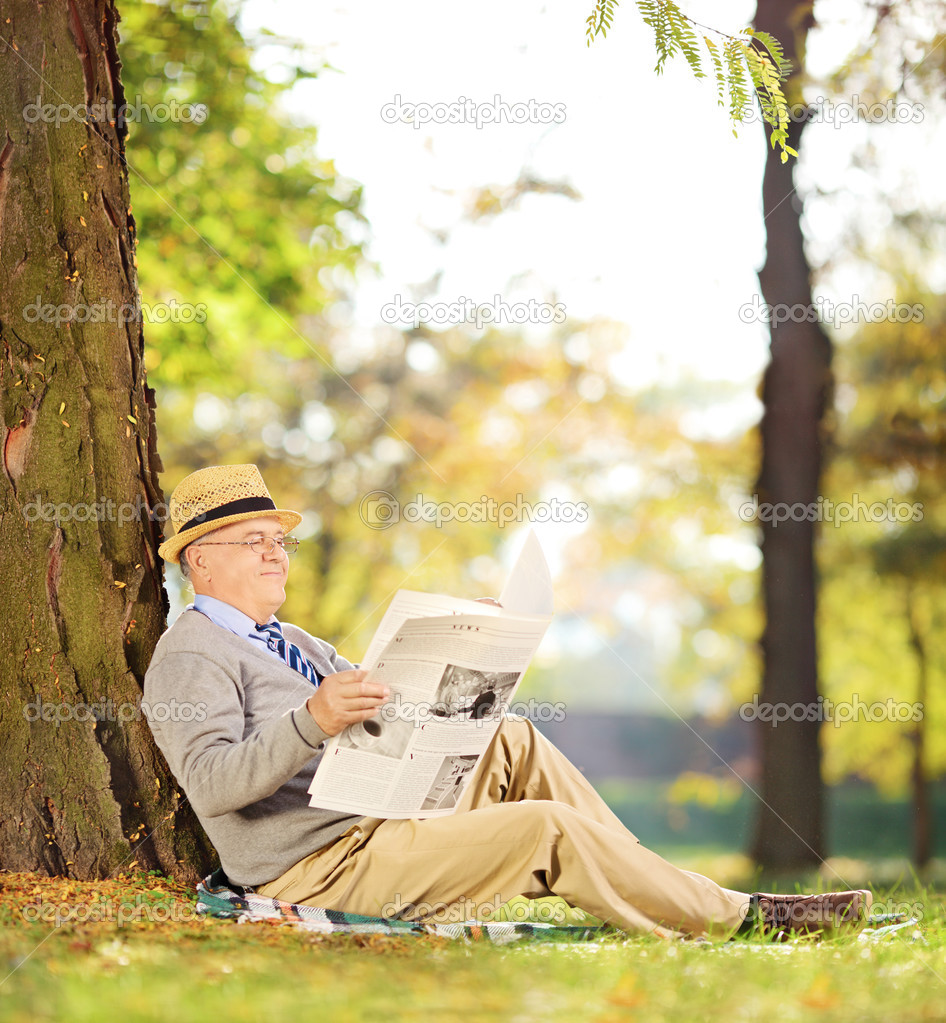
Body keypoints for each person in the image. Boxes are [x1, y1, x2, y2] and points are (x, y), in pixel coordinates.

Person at [144, 464, 871, 939]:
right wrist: (313, 720)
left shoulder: (293, 637)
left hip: (377, 818)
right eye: (254, 541)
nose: (276, 553)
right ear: (200, 559)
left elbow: (375, 707)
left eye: (280, 541)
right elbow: (212, 784)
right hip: (322, 863)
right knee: (544, 828)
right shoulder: (191, 653)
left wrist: (467, 643)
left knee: (511, 736)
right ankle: (742, 918)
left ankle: (656, 885)